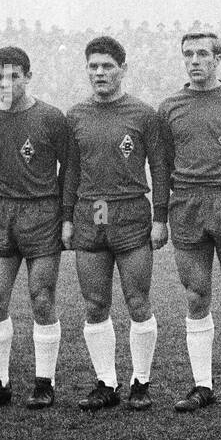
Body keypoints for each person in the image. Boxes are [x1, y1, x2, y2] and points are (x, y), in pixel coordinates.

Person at [62, 36, 169, 412]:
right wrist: (66, 219)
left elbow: (158, 168)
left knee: (138, 301)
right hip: (92, 212)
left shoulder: (143, 114)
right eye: (93, 66)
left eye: (107, 66)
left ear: (123, 69)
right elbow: (71, 170)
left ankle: (141, 381)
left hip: (130, 212)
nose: (99, 72)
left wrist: (160, 218)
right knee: (94, 304)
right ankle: (106, 382)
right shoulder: (75, 116)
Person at [158, 31, 221, 413]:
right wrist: (163, 213)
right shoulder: (169, 108)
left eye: (203, 54)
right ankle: (202, 385)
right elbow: (163, 165)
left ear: (218, 59)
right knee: (195, 296)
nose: (195, 60)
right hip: (187, 207)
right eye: (189, 54)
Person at [0, 46, 70, 411]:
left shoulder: (51, 118)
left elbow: (68, 168)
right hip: (0, 212)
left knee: (41, 298)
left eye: (13, 75)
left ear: (28, 77)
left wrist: (63, 213)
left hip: (42, 212)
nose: (6, 82)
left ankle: (45, 382)